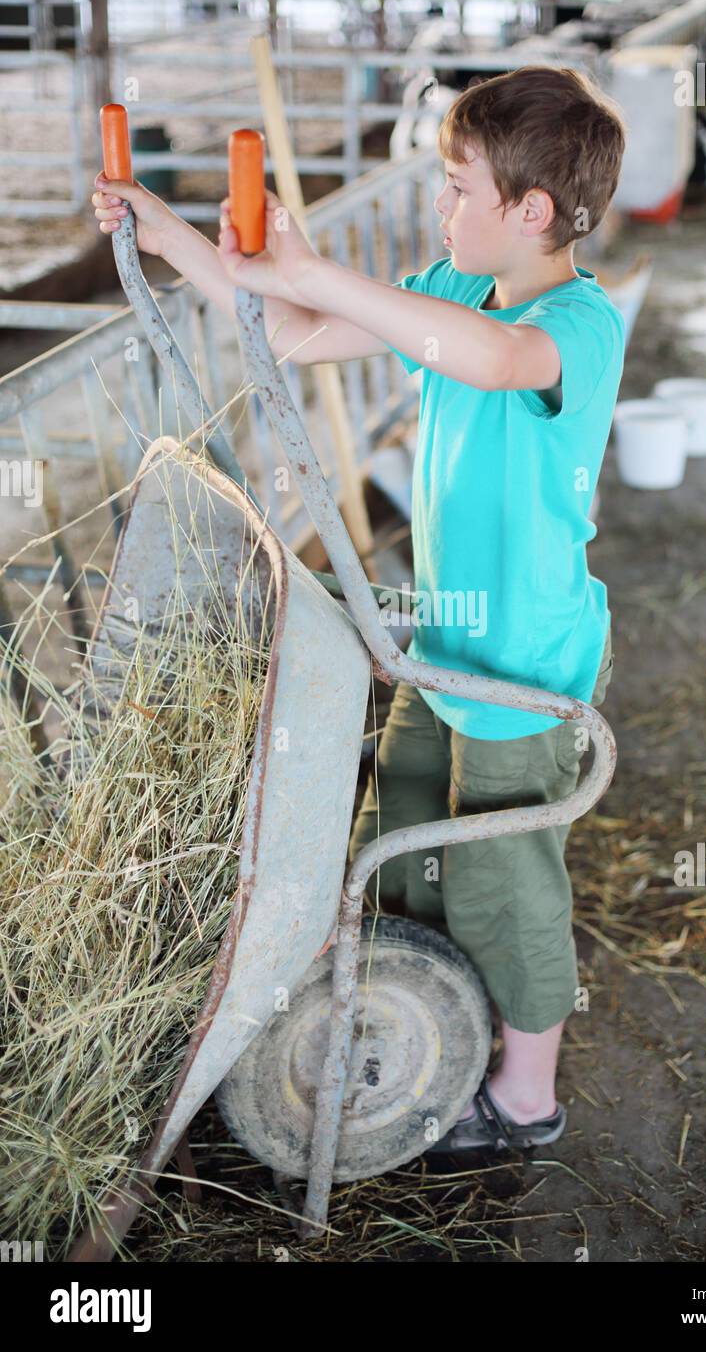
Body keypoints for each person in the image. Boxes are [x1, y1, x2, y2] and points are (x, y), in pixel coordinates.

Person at [92, 63, 626, 1153]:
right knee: (406, 835)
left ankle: (525, 1099)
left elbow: (478, 359)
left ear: (528, 212)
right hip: (440, 640)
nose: (439, 205)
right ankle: (434, 1027)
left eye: (452, 186)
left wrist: (323, 269)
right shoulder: (455, 285)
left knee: (498, 875)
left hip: (523, 668)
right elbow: (289, 332)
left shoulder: (574, 323)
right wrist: (173, 241)